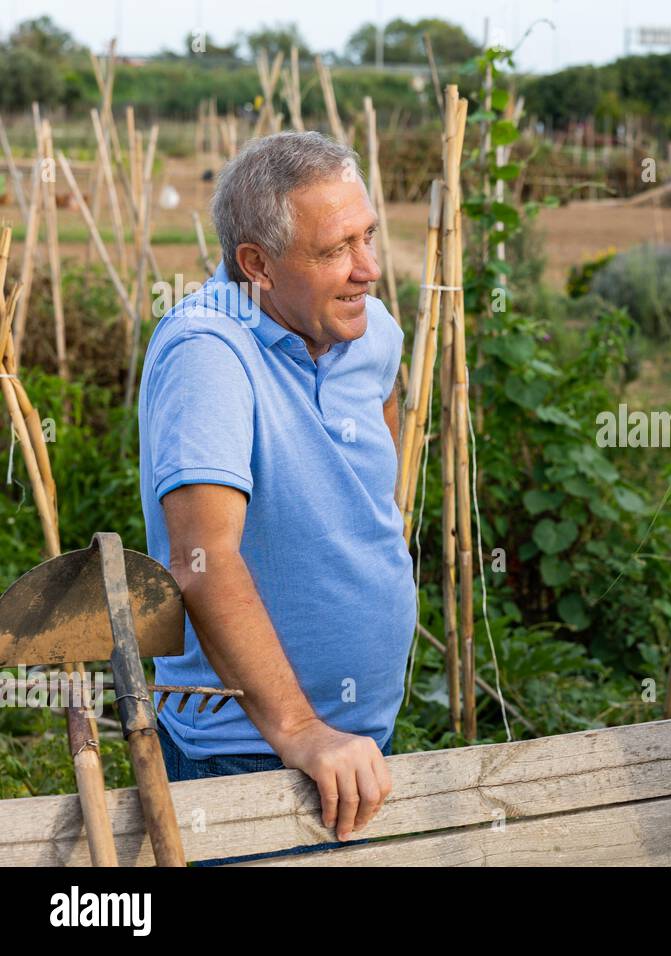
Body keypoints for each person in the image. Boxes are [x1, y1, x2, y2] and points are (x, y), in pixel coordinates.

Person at [138, 131, 415, 857]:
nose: (368, 269)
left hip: (360, 741)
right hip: (251, 751)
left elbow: (376, 478)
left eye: (367, 237)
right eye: (334, 251)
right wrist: (299, 729)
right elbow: (201, 557)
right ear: (256, 265)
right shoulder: (209, 351)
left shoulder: (372, 331)